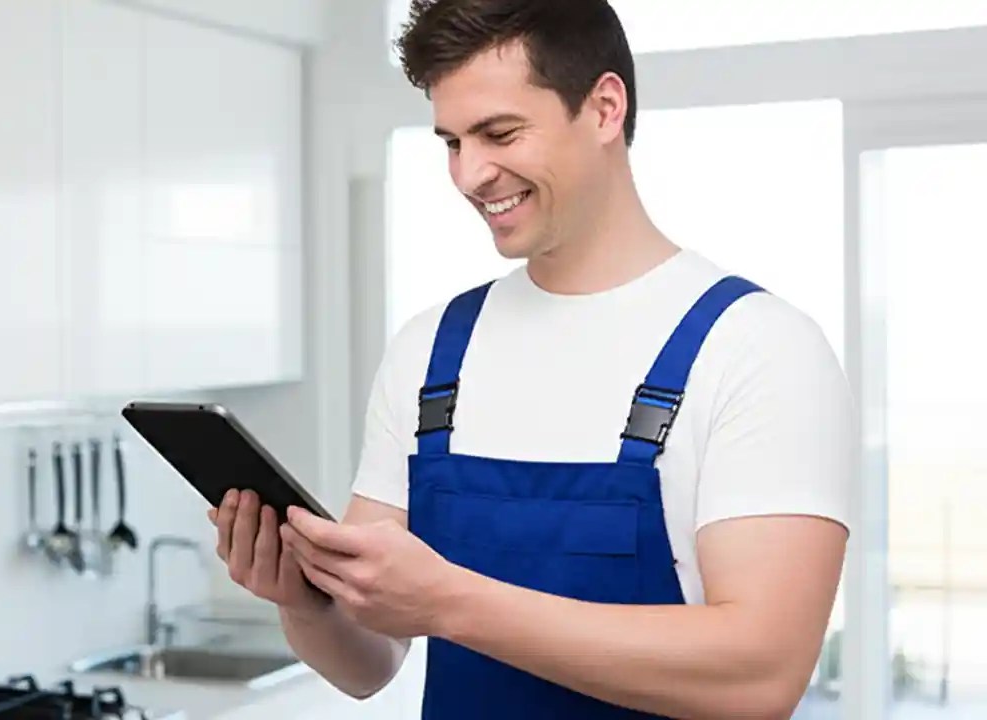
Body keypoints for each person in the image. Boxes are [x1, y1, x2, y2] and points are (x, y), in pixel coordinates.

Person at [207, 0, 854, 717]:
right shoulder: (429, 353)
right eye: (452, 141)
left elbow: (760, 676)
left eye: (499, 133)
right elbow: (369, 665)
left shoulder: (758, 349)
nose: (470, 174)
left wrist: (452, 602)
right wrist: (304, 604)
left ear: (605, 108)